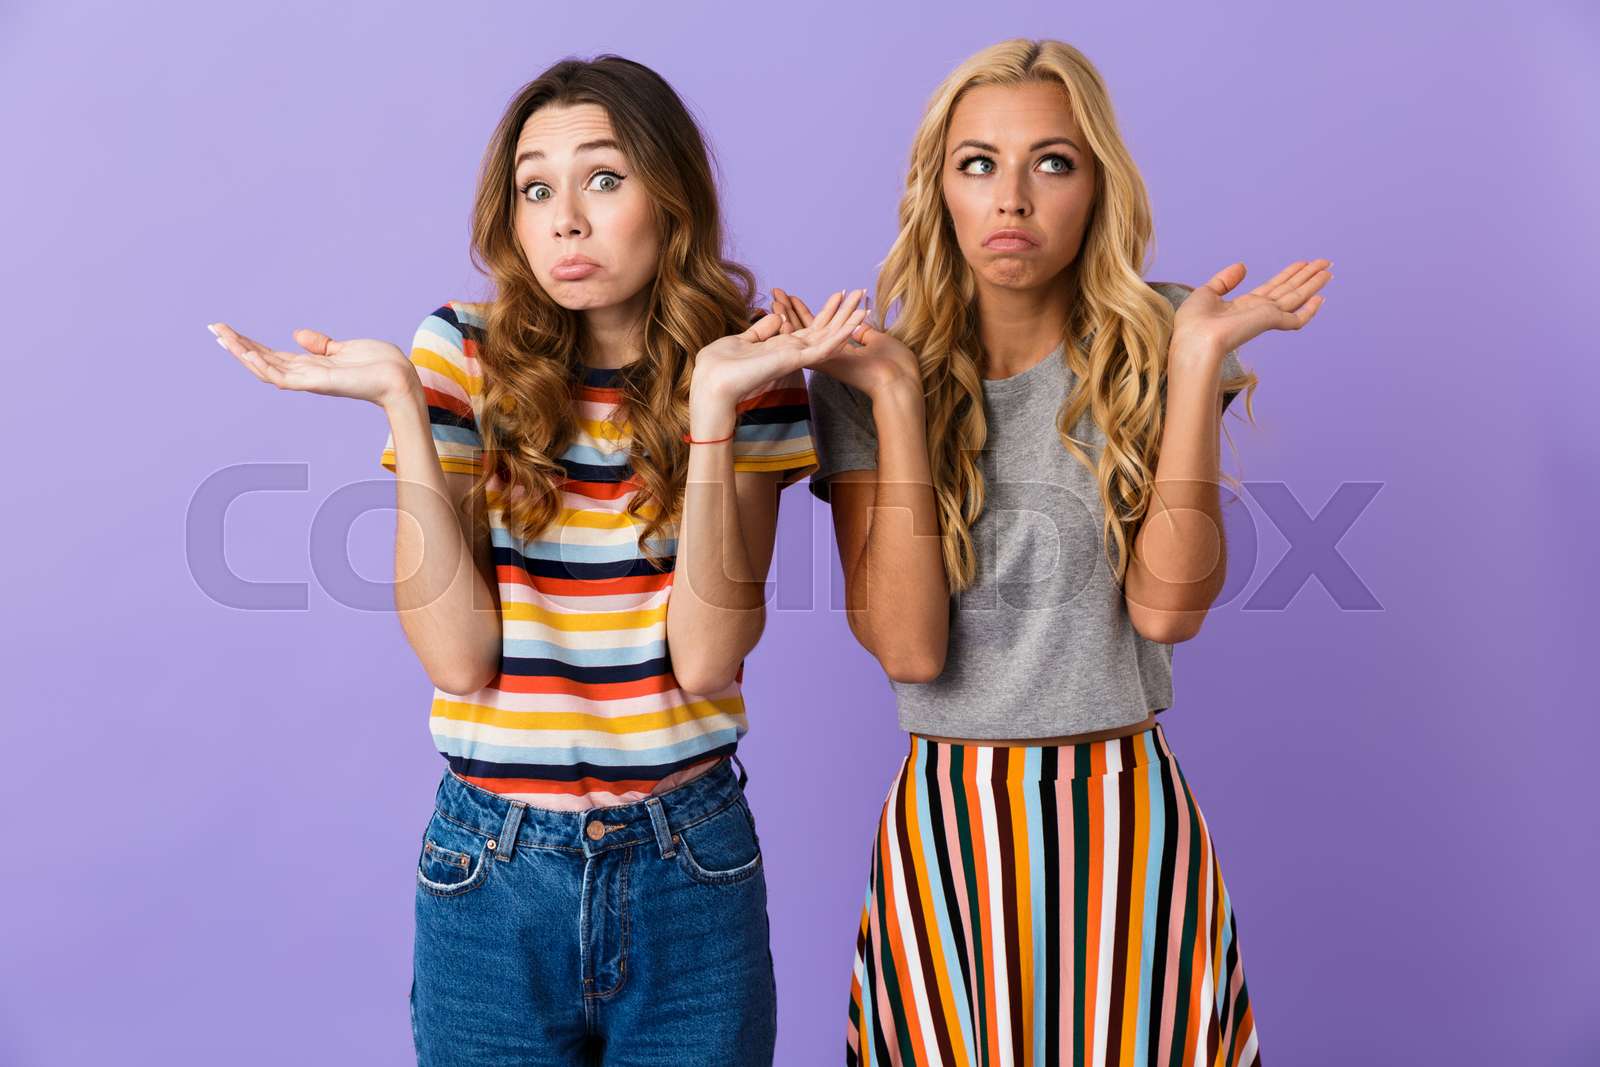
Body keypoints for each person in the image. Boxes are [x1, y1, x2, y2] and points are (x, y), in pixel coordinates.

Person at [210, 54, 867, 1066]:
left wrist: (710, 415)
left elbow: (705, 655)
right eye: (535, 186)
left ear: (672, 197)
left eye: (604, 178)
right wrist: (401, 404)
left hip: (688, 861)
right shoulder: (459, 355)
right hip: (491, 862)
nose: (566, 216)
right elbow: (459, 659)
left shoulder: (747, 367)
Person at [785, 37, 1329, 1067]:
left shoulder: (1164, 334)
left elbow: (1168, 609)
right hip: (947, 825)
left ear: (1096, 186)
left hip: (1125, 814)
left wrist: (1201, 357)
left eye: (1053, 161)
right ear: (937, 188)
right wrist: (900, 401)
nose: (1012, 198)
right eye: (978, 162)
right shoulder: (863, 374)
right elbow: (906, 649)